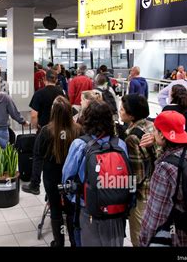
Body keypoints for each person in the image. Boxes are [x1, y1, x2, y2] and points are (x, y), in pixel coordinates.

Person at [62, 101, 128, 247]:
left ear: (86, 119)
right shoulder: (120, 145)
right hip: (117, 210)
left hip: (88, 208)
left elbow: (67, 178)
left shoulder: (80, 145)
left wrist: (76, 197)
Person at [138, 111, 187, 247]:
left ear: (162, 135)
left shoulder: (165, 168)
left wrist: (144, 240)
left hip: (177, 236)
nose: (153, 134)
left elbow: (156, 214)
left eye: (155, 131)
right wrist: (159, 141)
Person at [33, 96, 81, 247]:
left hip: (51, 177)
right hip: (72, 179)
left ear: (53, 112)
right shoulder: (78, 130)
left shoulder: (46, 132)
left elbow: (37, 156)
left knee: (55, 210)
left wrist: (34, 181)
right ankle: (75, 242)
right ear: (69, 111)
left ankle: (59, 242)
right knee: (72, 210)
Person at [119, 94, 157, 247]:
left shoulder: (132, 138)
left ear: (131, 115)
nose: (119, 111)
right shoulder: (151, 125)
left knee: (139, 237)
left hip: (142, 196)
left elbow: (137, 176)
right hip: (155, 189)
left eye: (122, 109)